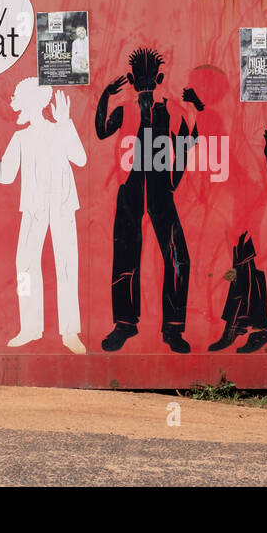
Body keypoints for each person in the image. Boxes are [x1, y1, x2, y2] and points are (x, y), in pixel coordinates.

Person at [0, 78, 88, 354]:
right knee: (25, 269)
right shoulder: (21, 138)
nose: (14, 106)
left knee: (66, 268)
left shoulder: (58, 130)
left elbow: (81, 159)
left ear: (32, 104)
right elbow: (5, 174)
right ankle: (30, 327)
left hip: (61, 207)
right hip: (34, 209)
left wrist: (65, 123)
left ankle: (70, 332)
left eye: (18, 101)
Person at [95, 47, 197, 353]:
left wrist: (169, 185)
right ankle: (126, 325)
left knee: (176, 257)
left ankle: (171, 329)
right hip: (134, 187)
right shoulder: (133, 109)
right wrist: (171, 183)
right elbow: (185, 149)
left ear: (131, 78)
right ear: (160, 77)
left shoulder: (169, 109)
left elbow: (185, 147)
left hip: (152, 187)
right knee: (128, 253)